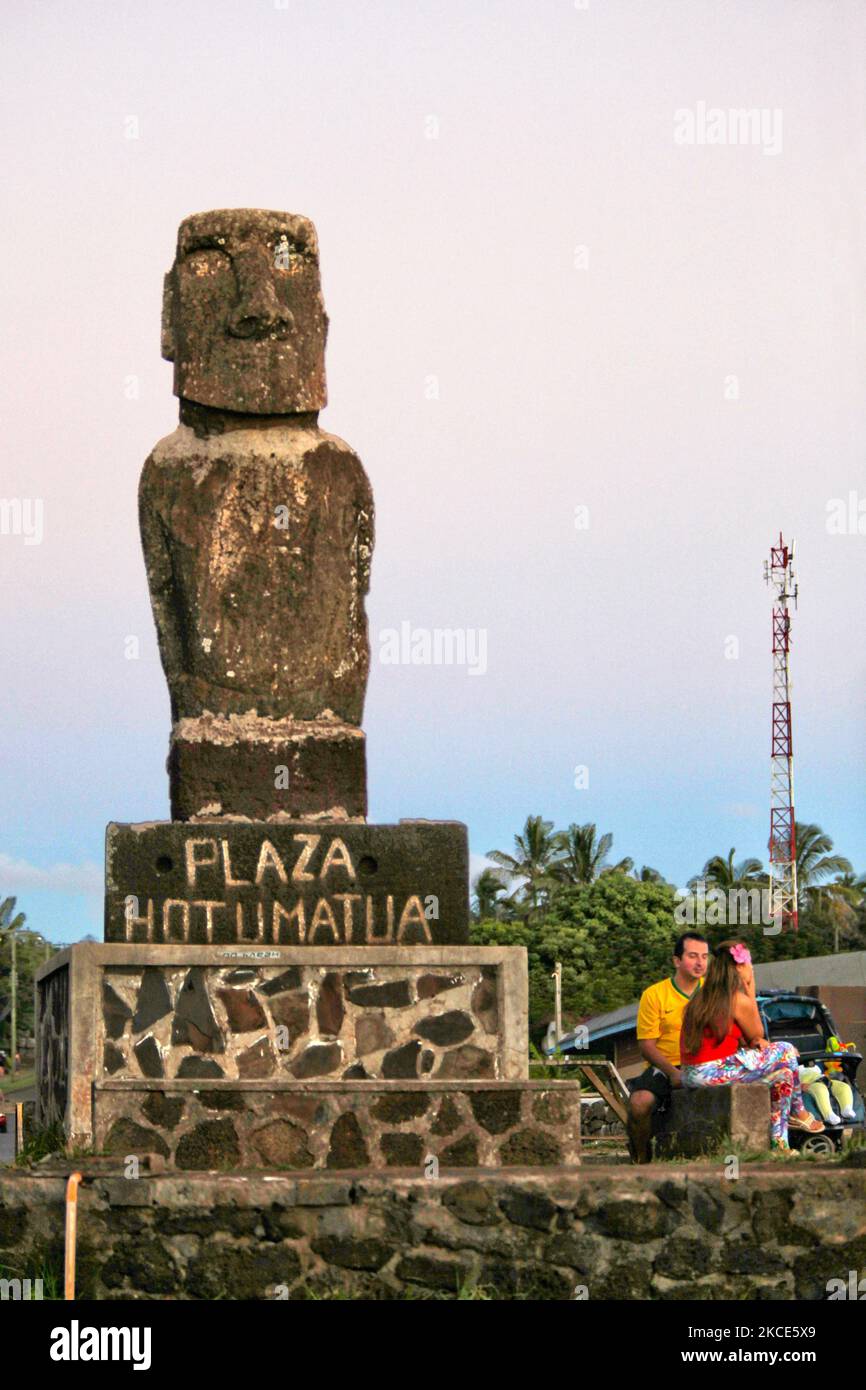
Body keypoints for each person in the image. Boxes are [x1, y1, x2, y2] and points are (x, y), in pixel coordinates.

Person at [680, 939, 825, 1151]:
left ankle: (780, 1145)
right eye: (750, 966)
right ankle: (799, 1112)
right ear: (740, 967)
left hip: (692, 1074)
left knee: (784, 1075)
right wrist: (750, 987)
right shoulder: (737, 999)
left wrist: (757, 1042)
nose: (751, 970)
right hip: (712, 1071)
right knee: (785, 1050)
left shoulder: (702, 998)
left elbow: (751, 1041)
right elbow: (758, 1034)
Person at [627, 931, 709, 1163]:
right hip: (666, 1065)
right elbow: (646, 1046)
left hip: (708, 1063)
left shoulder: (713, 993)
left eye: (704, 956)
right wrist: (673, 1073)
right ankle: (641, 1157)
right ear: (677, 961)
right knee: (639, 1102)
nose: (700, 962)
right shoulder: (654, 995)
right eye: (693, 956)